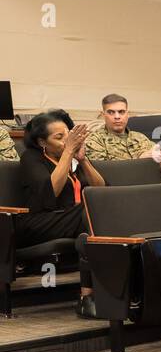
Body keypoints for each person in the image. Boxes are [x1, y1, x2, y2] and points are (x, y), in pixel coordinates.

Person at [16, 115, 106, 318]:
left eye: (69, 135)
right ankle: (89, 296)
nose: (67, 140)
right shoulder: (31, 158)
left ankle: (96, 294)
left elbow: (101, 190)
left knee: (97, 209)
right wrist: (68, 153)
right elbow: (49, 195)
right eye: (60, 137)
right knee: (89, 212)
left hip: (73, 219)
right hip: (38, 222)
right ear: (42, 142)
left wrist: (83, 160)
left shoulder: (74, 160)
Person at [82, 93, 161, 166]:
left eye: (121, 112)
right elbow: (104, 172)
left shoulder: (140, 138)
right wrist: (140, 160)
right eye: (111, 112)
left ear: (127, 114)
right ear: (103, 115)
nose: (117, 117)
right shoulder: (94, 140)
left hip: (149, 182)